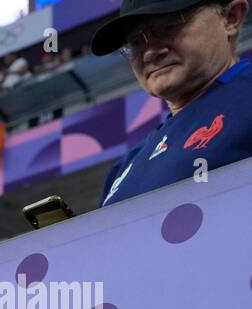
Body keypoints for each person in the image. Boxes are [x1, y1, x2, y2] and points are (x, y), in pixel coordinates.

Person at [95, 0, 250, 206]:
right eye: (135, 42)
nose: (149, 53)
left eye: (169, 26)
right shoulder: (122, 169)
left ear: (231, 18)